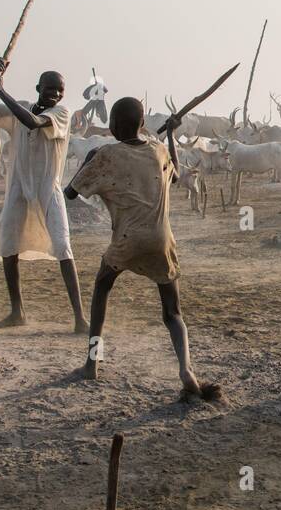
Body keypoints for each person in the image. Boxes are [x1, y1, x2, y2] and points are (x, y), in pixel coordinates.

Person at [64, 96, 220, 401]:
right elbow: (174, 175)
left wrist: (89, 159)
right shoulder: (158, 149)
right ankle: (186, 370)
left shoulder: (106, 154)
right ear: (143, 124)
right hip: (162, 239)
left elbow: (71, 193)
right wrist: (171, 136)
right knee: (173, 313)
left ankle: (92, 361)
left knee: (101, 287)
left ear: (110, 127)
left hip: (126, 240)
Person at [0, 58, 87, 331]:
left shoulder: (61, 113)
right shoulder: (17, 108)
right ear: (38, 88)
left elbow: (32, 123)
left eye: (59, 90)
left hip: (48, 187)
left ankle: (79, 317)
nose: (55, 94)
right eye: (49, 89)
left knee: (62, 245)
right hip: (19, 186)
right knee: (9, 244)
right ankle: (17, 311)